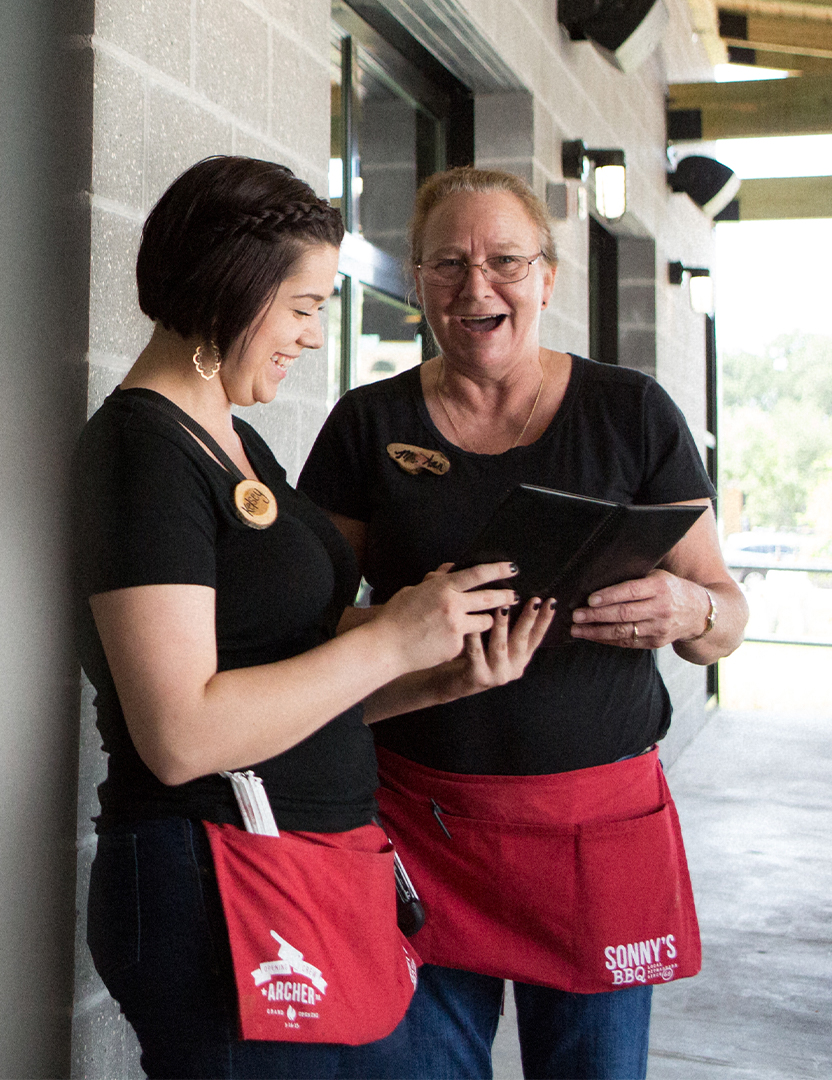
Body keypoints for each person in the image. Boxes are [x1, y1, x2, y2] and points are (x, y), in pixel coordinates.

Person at [71, 156, 556, 1080]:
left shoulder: (230, 434)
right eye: (302, 307)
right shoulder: (142, 455)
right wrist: (386, 639)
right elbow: (181, 734)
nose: (309, 336)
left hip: (308, 867)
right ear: (231, 289)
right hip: (215, 876)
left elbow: (281, 685)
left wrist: (430, 672)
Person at [298, 166, 748, 1080]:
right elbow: (305, 629)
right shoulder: (365, 424)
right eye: (448, 264)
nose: (477, 287)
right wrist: (402, 624)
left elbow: (723, 618)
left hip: (599, 832)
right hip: (420, 829)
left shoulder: (631, 413)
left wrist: (688, 606)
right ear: (417, 281)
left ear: (547, 278)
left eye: (505, 260)